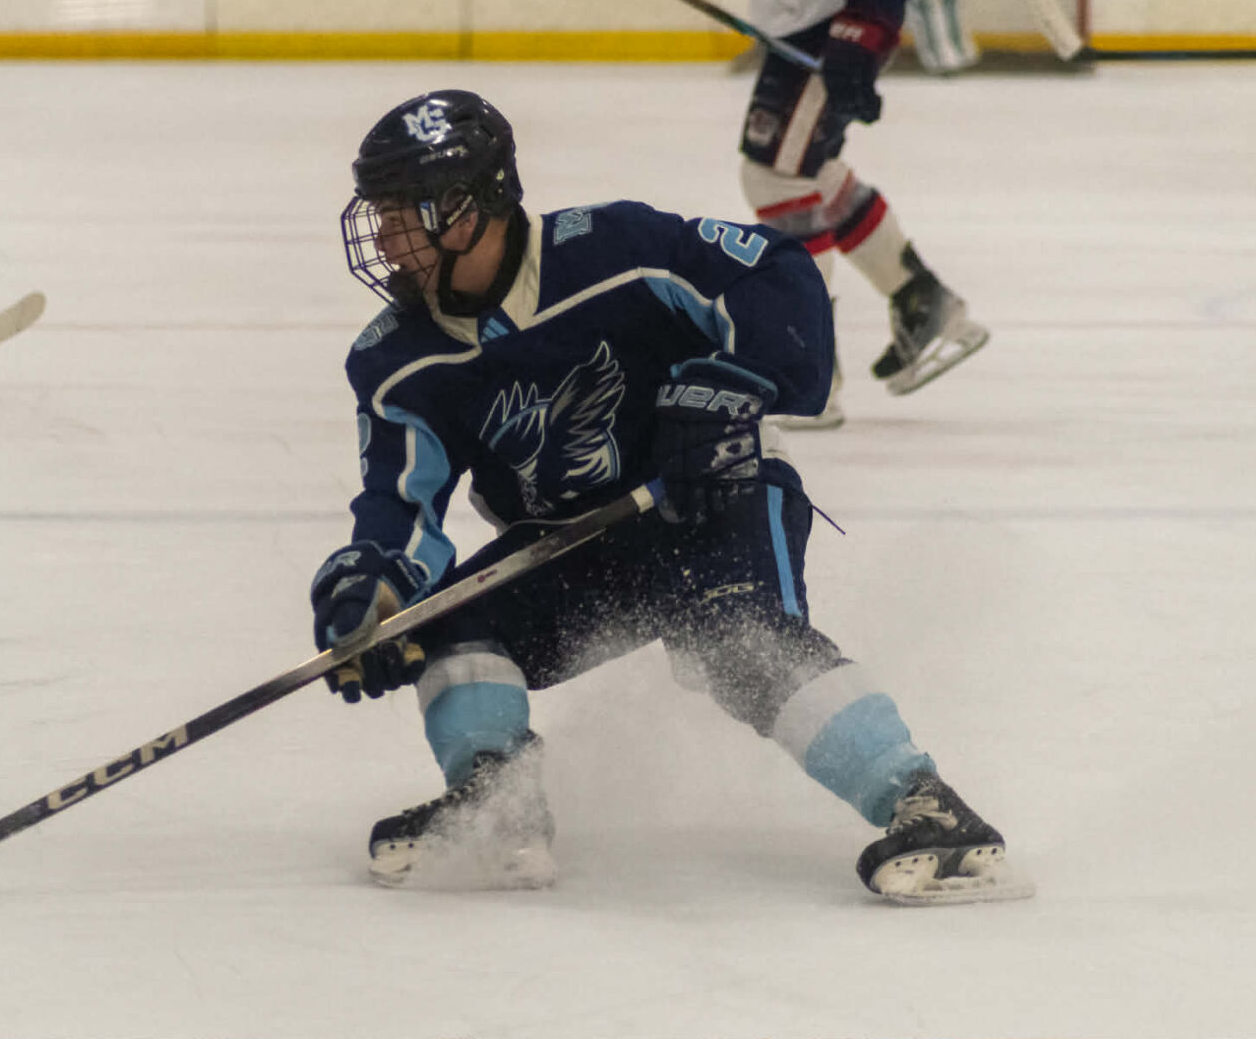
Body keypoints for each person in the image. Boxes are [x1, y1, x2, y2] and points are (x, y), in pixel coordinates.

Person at [310, 88, 1030, 904]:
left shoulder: (614, 249)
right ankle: (497, 805)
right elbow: (402, 503)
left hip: (712, 494)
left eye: (408, 212)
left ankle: (929, 811)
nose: (385, 239)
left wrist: (725, 387)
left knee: (733, 642)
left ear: (475, 207)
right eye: (380, 214)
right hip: (574, 536)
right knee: (443, 623)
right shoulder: (394, 360)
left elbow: (776, 273)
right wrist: (373, 588)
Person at [553, 0, 987, 428]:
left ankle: (811, 376)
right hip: (806, 25)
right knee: (810, 173)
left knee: (776, 178)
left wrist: (863, 33)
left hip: (842, 22)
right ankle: (923, 303)